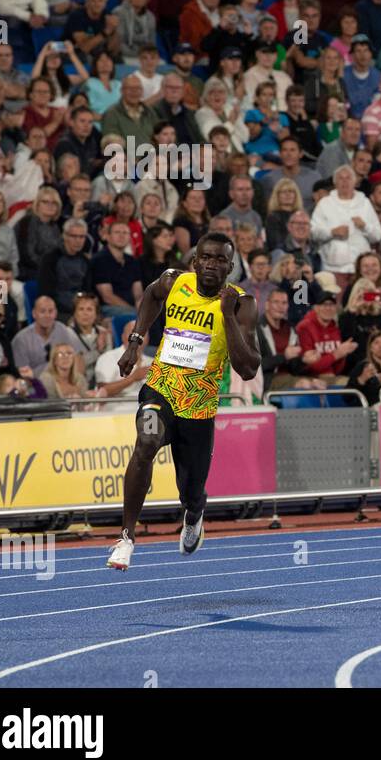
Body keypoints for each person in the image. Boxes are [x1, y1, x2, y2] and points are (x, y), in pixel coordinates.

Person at [106, 233, 261, 571]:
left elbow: (248, 369)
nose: (211, 264)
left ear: (230, 267)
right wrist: (135, 341)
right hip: (160, 388)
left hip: (198, 408)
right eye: (205, 257)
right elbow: (150, 294)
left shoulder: (241, 303)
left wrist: (228, 317)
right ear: (194, 262)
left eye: (220, 260)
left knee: (191, 490)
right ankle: (126, 538)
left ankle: (194, 513)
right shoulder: (174, 281)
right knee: (145, 443)